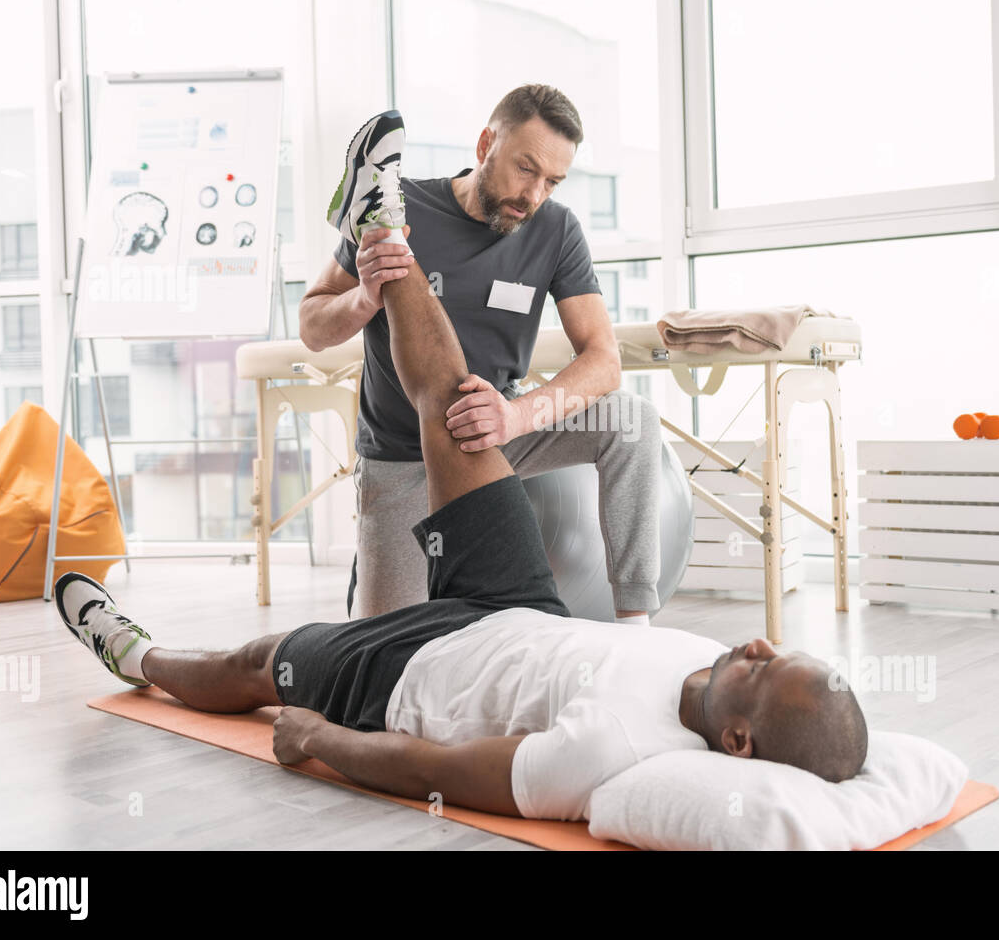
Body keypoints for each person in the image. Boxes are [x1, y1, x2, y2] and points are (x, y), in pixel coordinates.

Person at [55, 199, 869, 821]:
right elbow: (320, 323)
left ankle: (139, 658)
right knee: (457, 402)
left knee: (259, 660)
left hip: (420, 667)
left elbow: (433, 770)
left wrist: (322, 739)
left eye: (765, 667)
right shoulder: (704, 661)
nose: (757, 644)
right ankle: (381, 223)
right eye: (775, 648)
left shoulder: (608, 750)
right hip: (521, 600)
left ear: (738, 741)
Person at [299, 87, 660, 625]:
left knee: (632, 421)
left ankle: (636, 624)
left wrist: (515, 416)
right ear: (485, 142)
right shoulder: (413, 204)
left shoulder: (557, 230)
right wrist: (362, 297)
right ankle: (373, 218)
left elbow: (604, 359)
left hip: (493, 437)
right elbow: (312, 327)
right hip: (401, 458)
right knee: (378, 655)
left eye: (552, 182)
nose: (534, 194)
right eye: (525, 168)